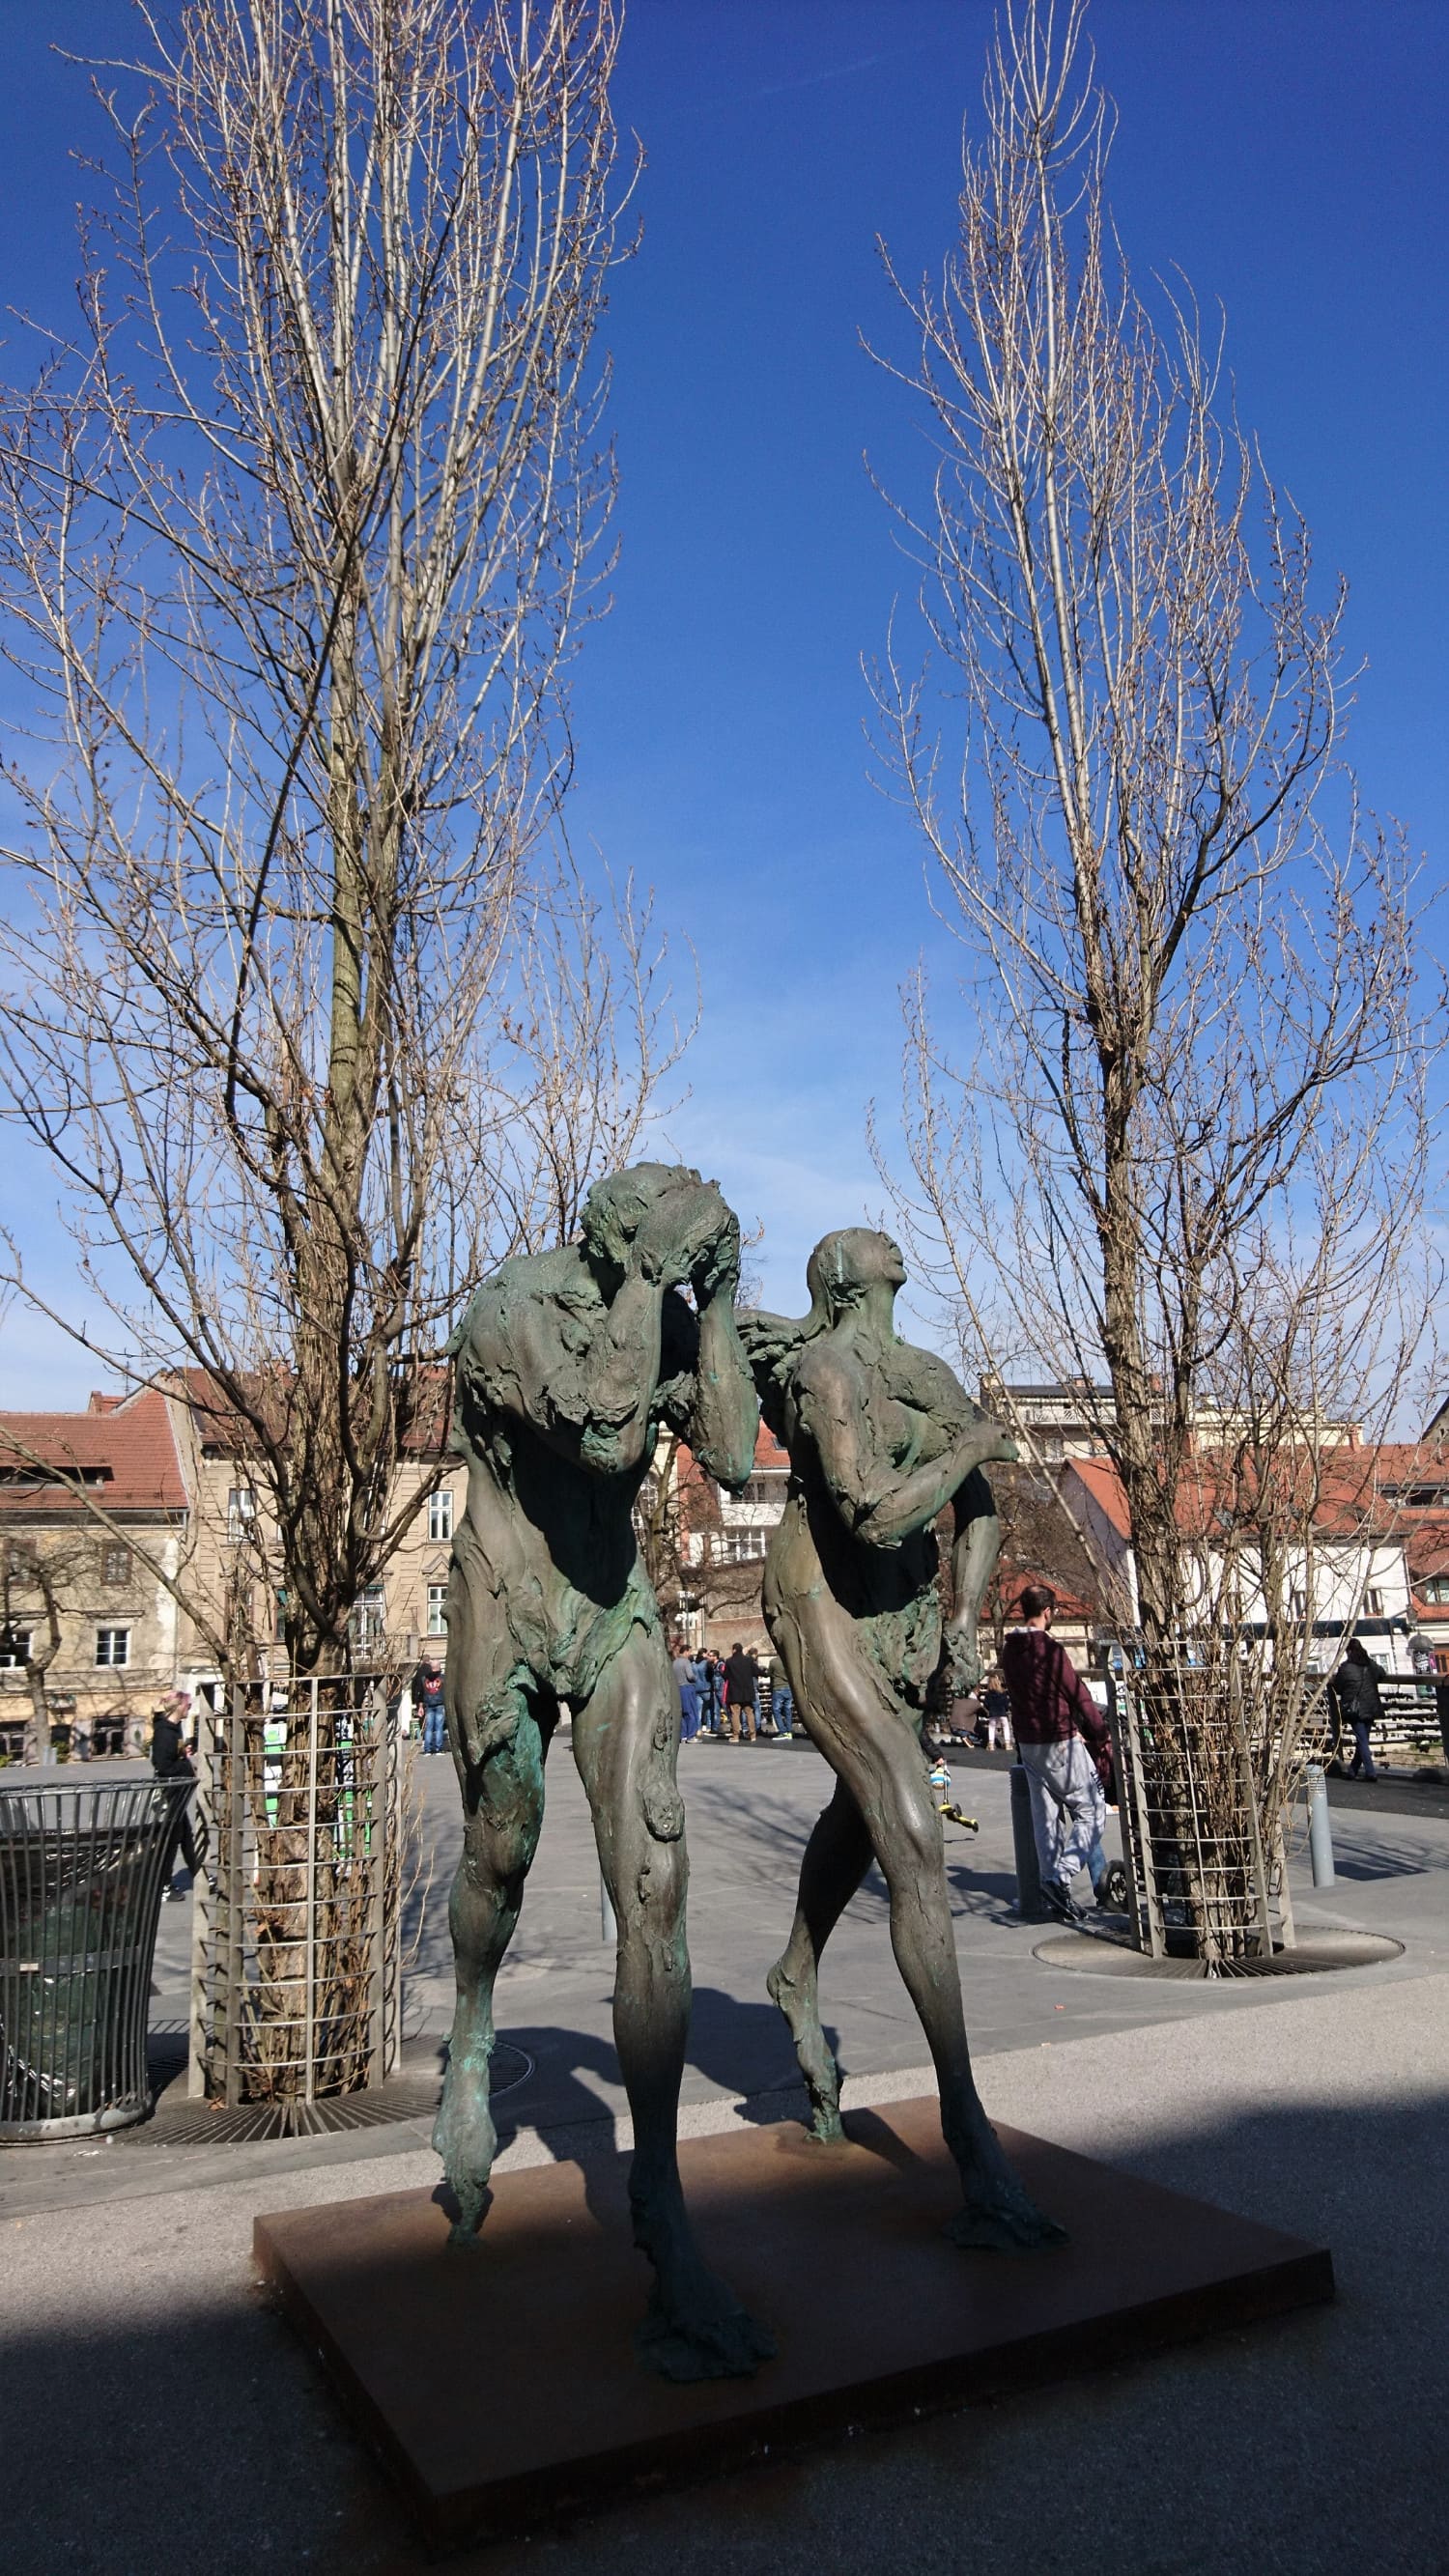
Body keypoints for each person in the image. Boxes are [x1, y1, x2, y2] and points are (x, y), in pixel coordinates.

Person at [435, 1161, 772, 2380]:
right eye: (666, 1251)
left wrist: (716, 1304)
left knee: (655, 1879)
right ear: (620, 1242)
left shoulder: (666, 1313)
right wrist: (655, 1280)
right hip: (506, 1592)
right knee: (503, 1843)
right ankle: (473, 2027)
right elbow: (606, 1428)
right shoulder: (511, 1307)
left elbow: (730, 1456)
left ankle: (661, 2197)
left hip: (611, 1607)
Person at [740, 1226, 1062, 2252]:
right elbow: (874, 1513)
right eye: (864, 1242)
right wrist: (966, 1446)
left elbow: (981, 1506)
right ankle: (971, 2135)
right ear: (839, 1275)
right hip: (822, 1598)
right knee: (911, 1827)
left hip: (905, 1609)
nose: (885, 1242)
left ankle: (795, 1969)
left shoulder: (923, 1368)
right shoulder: (825, 1371)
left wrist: (963, 1619)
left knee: (864, 1805)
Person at [1001, 1586, 1115, 1924]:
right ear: (1048, 1611)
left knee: (1046, 1819)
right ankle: (1061, 1877)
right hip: (1059, 1739)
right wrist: (1100, 1732)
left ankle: (1052, 1885)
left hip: (1028, 1743)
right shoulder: (1049, 1650)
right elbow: (1077, 1693)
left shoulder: (1009, 1650)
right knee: (1092, 1811)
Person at [151, 1696, 200, 1901]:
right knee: (170, 1841)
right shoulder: (164, 1732)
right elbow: (162, 1765)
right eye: (187, 1704)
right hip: (169, 1794)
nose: (190, 1706)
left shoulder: (175, 1728)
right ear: (178, 1706)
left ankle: (199, 1875)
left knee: (185, 1836)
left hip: (177, 1793)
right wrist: (187, 1769)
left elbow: (177, 1756)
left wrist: (184, 1755)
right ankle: (163, 1885)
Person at [1333, 1637, 1386, 1780]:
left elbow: (1338, 1687)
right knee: (1363, 1740)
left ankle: (1370, 1773)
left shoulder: (1345, 1668)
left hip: (1354, 1709)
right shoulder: (1370, 1665)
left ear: (1349, 1651)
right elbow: (1382, 1674)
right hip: (1371, 1706)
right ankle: (1352, 1771)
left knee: (1362, 1741)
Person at [722, 1642, 758, 1743]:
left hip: (734, 1692)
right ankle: (752, 1735)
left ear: (734, 1650)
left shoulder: (729, 1661)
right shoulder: (749, 1660)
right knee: (749, 1713)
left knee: (735, 1714)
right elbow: (756, 1671)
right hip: (747, 1692)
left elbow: (725, 1675)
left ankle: (736, 1735)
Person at [412, 1656, 447, 1754]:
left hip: (428, 1705)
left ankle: (427, 1749)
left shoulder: (424, 1679)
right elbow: (446, 1692)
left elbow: (421, 1694)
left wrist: (420, 1707)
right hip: (440, 1704)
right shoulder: (443, 1678)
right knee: (439, 1727)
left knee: (428, 1728)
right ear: (439, 1667)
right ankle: (438, 1748)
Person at [672, 1639, 701, 1744]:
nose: (690, 1654)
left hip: (677, 1688)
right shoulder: (686, 1662)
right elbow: (690, 1676)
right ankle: (691, 1735)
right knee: (691, 1712)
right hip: (687, 1688)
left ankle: (683, 1735)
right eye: (689, 1652)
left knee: (682, 1713)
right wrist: (695, 1678)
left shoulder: (674, 1662)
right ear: (686, 1652)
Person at [768, 1649, 794, 1737]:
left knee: (776, 1710)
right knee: (788, 1710)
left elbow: (769, 1674)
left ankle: (783, 1731)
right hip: (789, 1688)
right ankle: (789, 1731)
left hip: (778, 1687)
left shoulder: (773, 1662)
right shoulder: (789, 1662)